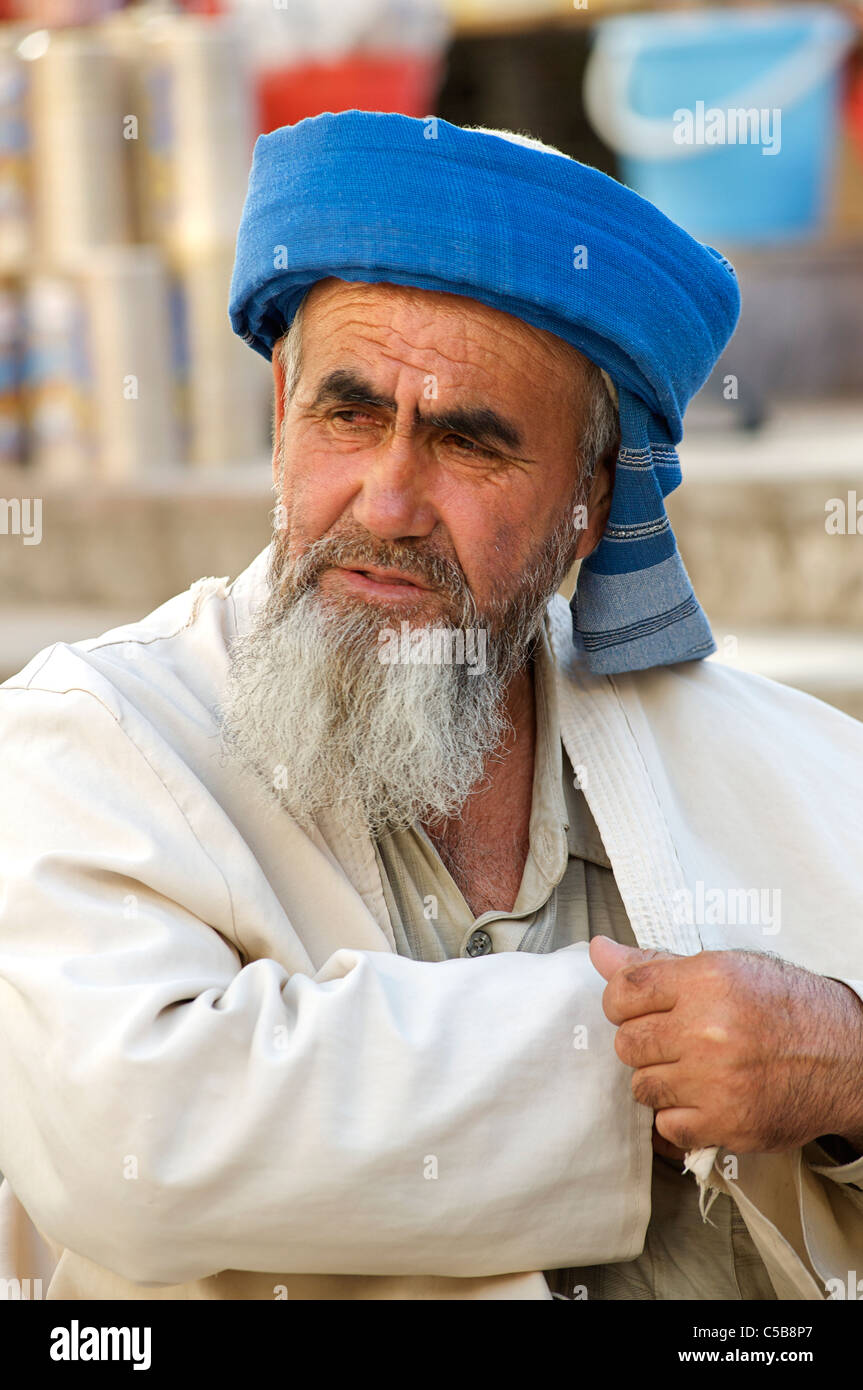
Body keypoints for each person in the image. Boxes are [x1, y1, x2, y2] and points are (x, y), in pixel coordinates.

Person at [1, 112, 862, 1302]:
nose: (391, 499)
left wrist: (838, 1063)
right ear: (279, 414)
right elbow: (140, 1149)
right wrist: (670, 1059)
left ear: (588, 497)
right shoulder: (88, 738)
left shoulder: (782, 761)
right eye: (347, 416)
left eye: (468, 441)